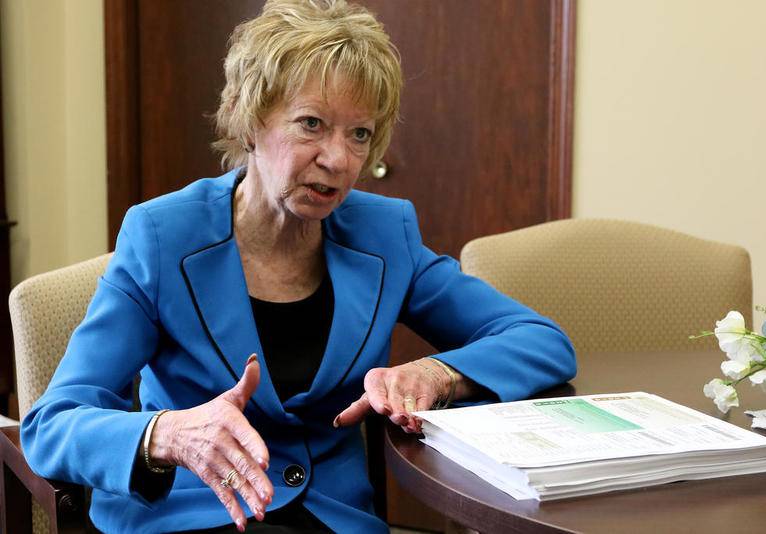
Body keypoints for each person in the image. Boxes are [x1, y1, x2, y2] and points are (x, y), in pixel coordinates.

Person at [21, 0, 576, 532]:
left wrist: (436, 373)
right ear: (249, 120)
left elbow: (540, 340)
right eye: (311, 124)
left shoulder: (386, 235)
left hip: (332, 520)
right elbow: (52, 425)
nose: (337, 159)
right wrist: (168, 434)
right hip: (191, 516)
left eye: (359, 134)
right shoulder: (163, 237)